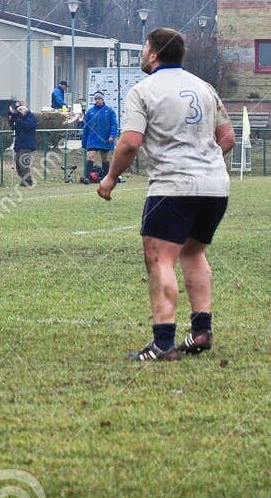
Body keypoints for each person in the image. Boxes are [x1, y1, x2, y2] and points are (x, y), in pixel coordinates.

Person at [97, 27, 235, 362]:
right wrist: (202, 161)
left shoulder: (143, 91)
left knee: (161, 258)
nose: (143, 53)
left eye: (145, 47)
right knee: (193, 253)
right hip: (215, 186)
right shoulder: (204, 88)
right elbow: (228, 137)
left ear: (154, 53)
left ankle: (162, 342)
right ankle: (201, 330)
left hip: (173, 186)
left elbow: (130, 142)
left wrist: (111, 178)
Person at [81, 91, 119, 184]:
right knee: (91, 157)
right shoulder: (90, 112)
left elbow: (114, 125)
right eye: (96, 99)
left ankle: (107, 178)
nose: (97, 100)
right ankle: (86, 177)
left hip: (105, 140)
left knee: (105, 159)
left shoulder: (109, 111)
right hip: (92, 140)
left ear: (102, 99)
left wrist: (112, 136)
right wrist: (84, 142)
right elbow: (85, 127)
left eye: (99, 99)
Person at [11, 101, 39, 187]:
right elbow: (14, 127)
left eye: (20, 110)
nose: (19, 112)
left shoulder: (31, 117)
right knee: (18, 165)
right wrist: (12, 119)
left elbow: (28, 126)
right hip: (19, 144)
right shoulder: (20, 119)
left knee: (24, 164)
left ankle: (28, 181)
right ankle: (23, 181)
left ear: (24, 109)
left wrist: (18, 120)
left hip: (27, 145)